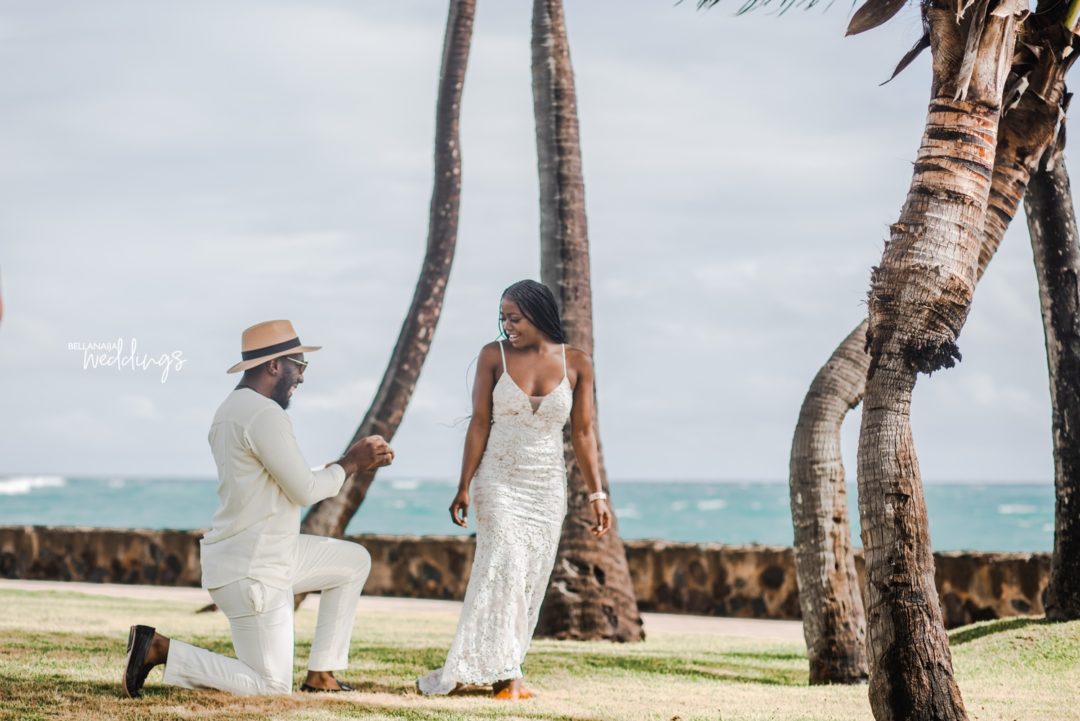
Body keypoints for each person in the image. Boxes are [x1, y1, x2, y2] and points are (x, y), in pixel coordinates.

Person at [122, 319, 394, 697]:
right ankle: (161, 648)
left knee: (352, 562)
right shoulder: (265, 414)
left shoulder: (231, 409)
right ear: (273, 366)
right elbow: (304, 490)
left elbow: (287, 480)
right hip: (255, 571)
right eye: (299, 365)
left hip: (258, 555)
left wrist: (344, 463)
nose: (301, 376)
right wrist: (351, 462)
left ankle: (323, 675)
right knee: (270, 687)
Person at [417, 280, 613, 700]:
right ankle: (507, 676)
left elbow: (582, 433)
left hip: (546, 487)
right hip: (498, 479)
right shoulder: (494, 355)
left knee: (529, 578)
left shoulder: (578, 362)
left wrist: (597, 494)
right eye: (503, 317)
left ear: (539, 315)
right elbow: (479, 423)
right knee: (502, 566)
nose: (507, 326)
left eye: (515, 318)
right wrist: (463, 485)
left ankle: (507, 666)